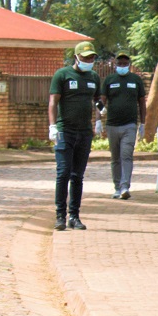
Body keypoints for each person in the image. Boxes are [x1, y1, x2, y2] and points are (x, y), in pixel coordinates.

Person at [48, 41, 100, 231]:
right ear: (76, 57)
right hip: (64, 131)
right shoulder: (62, 75)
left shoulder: (94, 77)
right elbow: (53, 101)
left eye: (92, 57)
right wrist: (53, 126)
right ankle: (60, 216)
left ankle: (74, 216)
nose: (89, 60)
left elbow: (97, 100)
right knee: (63, 172)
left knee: (78, 175)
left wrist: (100, 117)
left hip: (84, 132)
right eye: (85, 57)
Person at [97, 52, 146, 200]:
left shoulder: (136, 80)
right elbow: (101, 101)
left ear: (129, 64)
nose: (122, 66)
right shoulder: (109, 80)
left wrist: (143, 123)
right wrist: (98, 119)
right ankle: (117, 187)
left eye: (125, 63)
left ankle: (125, 186)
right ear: (115, 65)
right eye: (120, 63)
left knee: (126, 155)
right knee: (115, 158)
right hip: (112, 124)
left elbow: (142, 103)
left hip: (129, 125)